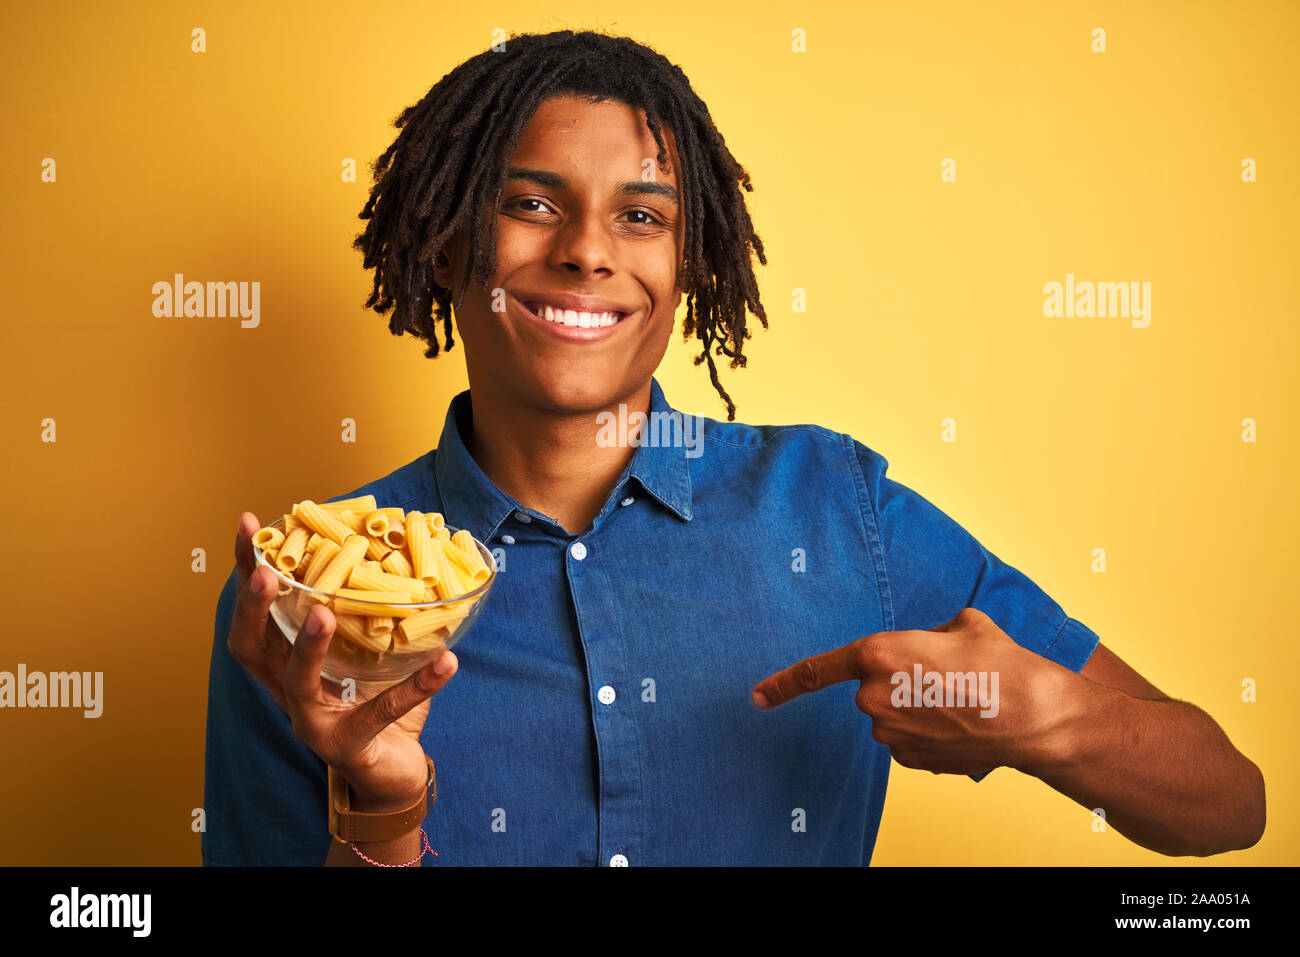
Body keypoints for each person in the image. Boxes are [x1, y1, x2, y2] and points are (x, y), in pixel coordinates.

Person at [204, 29, 1265, 866]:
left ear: (690, 264)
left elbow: (1227, 805)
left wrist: (1054, 723)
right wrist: (383, 811)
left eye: (641, 217)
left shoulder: (839, 511)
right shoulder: (301, 604)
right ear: (442, 244)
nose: (583, 251)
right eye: (530, 204)